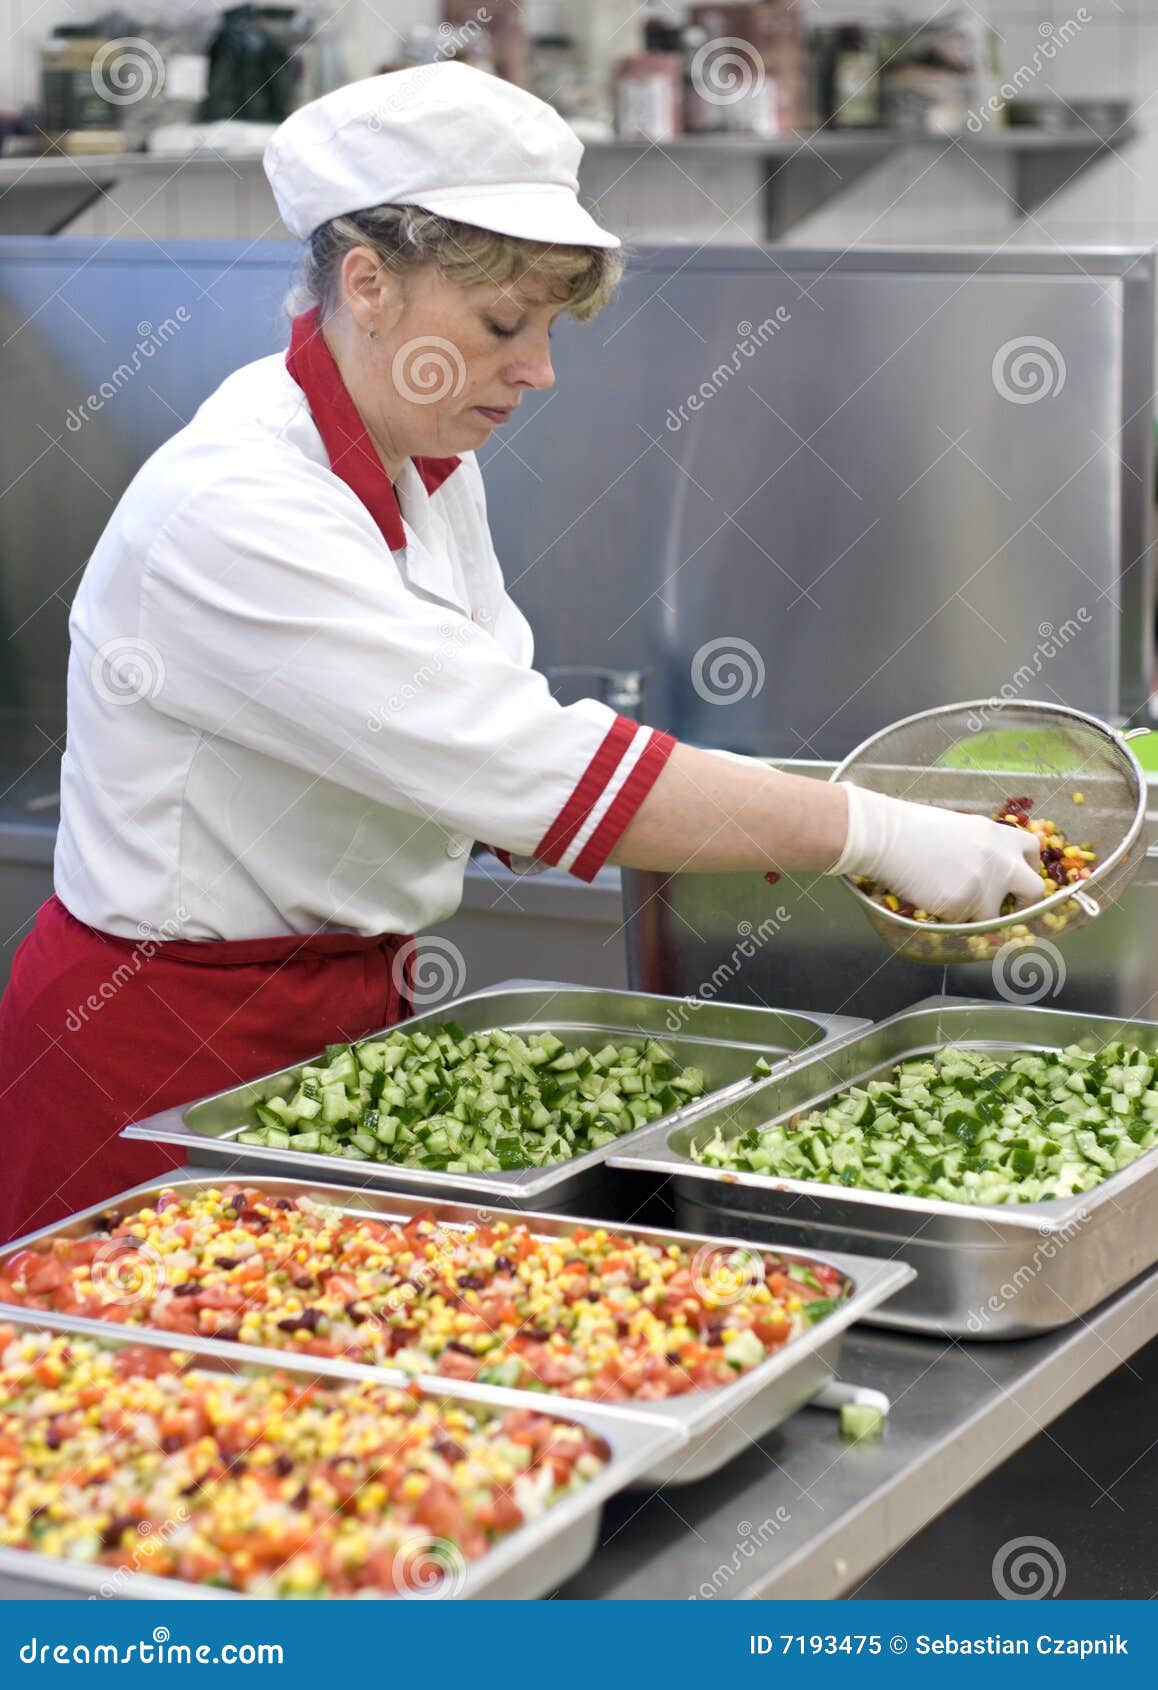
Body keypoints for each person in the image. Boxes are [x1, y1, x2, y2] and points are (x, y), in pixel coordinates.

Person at [0, 63, 1042, 1242]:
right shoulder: (239, 507)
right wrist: (878, 832)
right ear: (367, 283)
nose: (539, 370)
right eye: (505, 324)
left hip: (339, 1024)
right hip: (158, 1060)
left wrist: (758, 820)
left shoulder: (429, 469)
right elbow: (533, 769)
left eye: (549, 328)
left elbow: (499, 744)